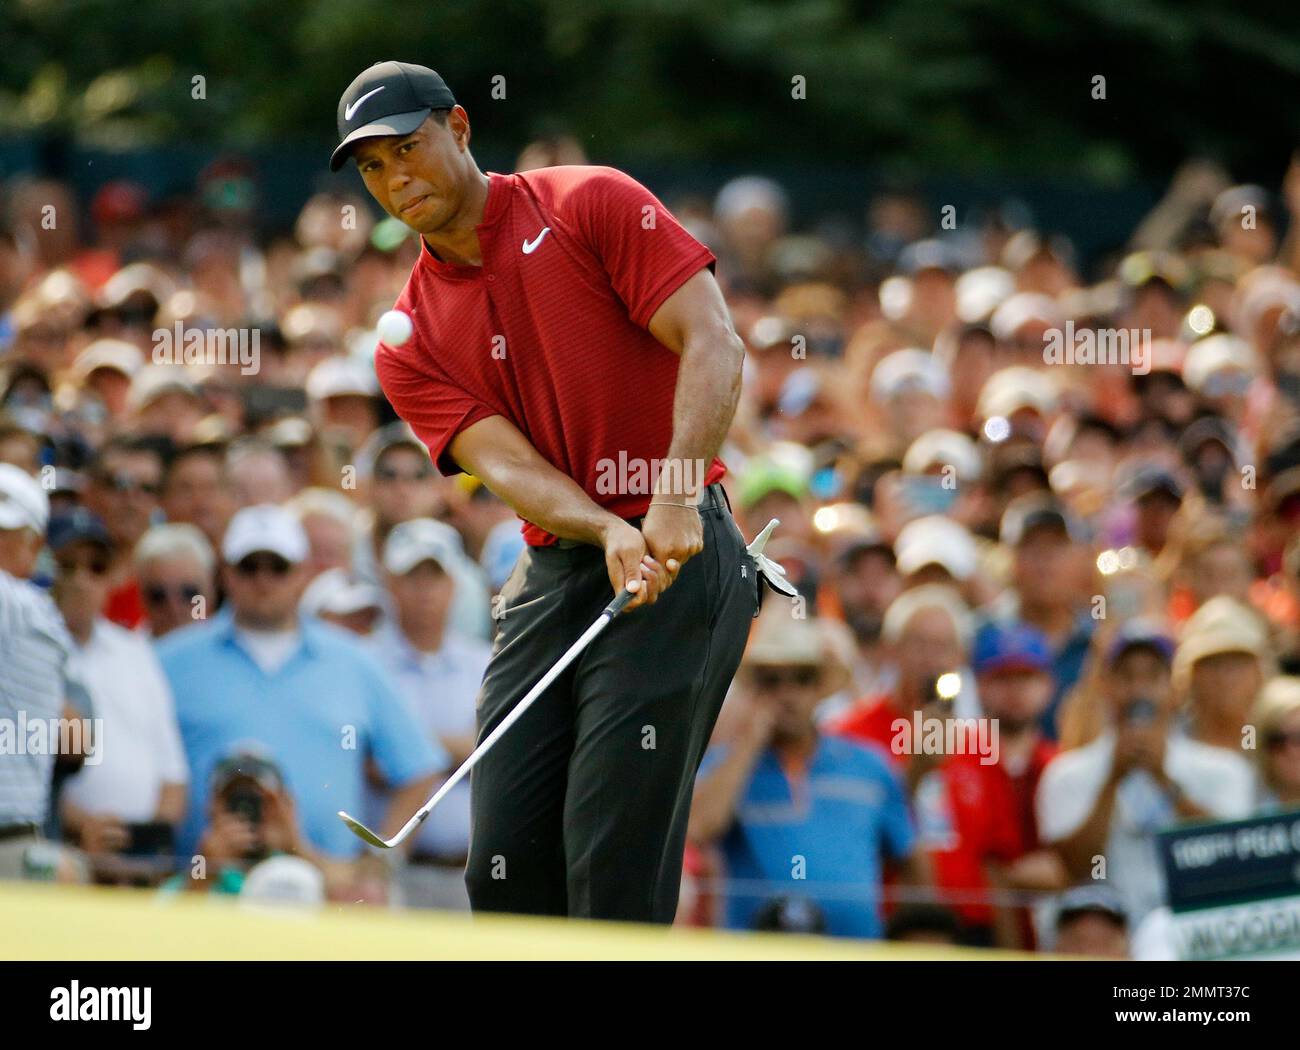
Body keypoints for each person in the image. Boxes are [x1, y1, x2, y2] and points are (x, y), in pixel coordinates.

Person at [332, 61, 755, 922]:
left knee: (609, 862)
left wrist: (669, 499)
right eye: (373, 167)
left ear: (458, 128)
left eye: (407, 149)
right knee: (500, 870)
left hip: (681, 552)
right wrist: (603, 526)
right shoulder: (406, 339)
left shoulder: (589, 203)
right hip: (561, 567)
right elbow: (511, 469)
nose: (395, 179)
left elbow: (715, 341)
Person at [156, 504, 443, 878]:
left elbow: (418, 768)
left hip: (322, 892)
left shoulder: (353, 660)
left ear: (303, 572)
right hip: (203, 884)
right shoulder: (171, 660)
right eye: (249, 567)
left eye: (278, 567)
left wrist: (378, 861)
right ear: (225, 573)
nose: (264, 580)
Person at [689, 612, 922, 938]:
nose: (788, 693)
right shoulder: (729, 765)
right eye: (771, 681)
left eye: (803, 678)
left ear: (819, 689)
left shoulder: (870, 765)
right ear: (755, 690)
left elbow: (911, 858)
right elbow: (698, 827)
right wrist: (749, 743)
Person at [1035, 620, 1255, 924]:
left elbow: (1234, 856)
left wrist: (1164, 780)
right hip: (1105, 941)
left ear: (1175, 688)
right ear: (1106, 686)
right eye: (1126, 676)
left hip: (1191, 931)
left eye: (1153, 676)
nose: (1139, 689)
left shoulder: (1222, 770)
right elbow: (1074, 867)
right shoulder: (1067, 773)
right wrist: (1112, 780)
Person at [50, 510, 189, 879]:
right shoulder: (23, 651)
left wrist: (150, 837)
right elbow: (22, 771)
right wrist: (84, 827)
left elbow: (172, 771)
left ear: (111, 578)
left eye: (96, 567)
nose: (81, 580)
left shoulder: (135, 651)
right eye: (67, 566)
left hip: (143, 862)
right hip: (64, 854)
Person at [913, 621, 1066, 947]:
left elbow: (1071, 866)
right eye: (1001, 678)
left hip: (1052, 932)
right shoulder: (951, 755)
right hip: (962, 928)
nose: (1015, 691)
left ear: (1049, 684)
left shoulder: (1061, 765)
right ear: (979, 685)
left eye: (1026, 677)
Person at [366, 518, 492, 910]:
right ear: (389, 583)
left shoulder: (484, 663)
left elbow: (499, 757)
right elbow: (370, 764)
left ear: (454, 585)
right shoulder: (365, 662)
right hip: (391, 874)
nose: (424, 591)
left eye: (434, 577)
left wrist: (410, 750)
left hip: (471, 873)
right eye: (411, 577)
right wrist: (462, 752)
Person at [0, 465, 91, 881]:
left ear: (34, 544)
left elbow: (81, 740)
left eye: (4, 533)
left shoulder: (20, 606)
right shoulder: (41, 612)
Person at [133, 523, 216, 639]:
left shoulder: (239, 650)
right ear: (141, 597)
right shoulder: (124, 654)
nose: (174, 608)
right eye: (158, 595)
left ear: (210, 593)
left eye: (189, 593)